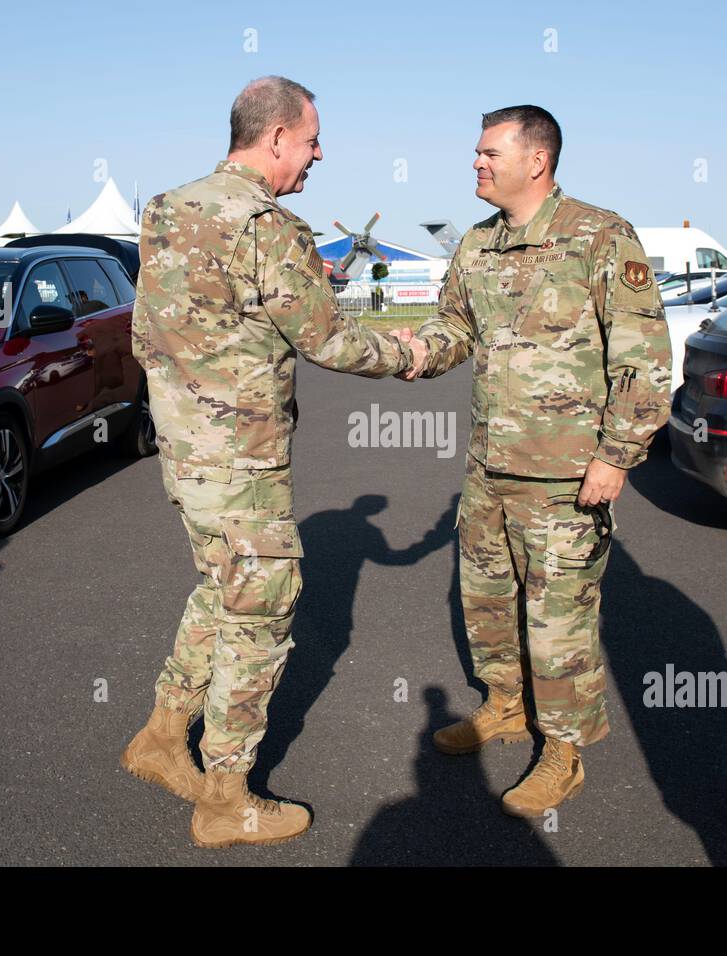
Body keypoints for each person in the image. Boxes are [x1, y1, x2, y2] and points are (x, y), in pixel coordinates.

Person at [122, 75, 423, 849]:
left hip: (184, 451)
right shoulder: (268, 223)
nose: (320, 153)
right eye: (313, 138)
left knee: (218, 591)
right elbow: (329, 341)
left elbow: (157, 328)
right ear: (277, 136)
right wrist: (409, 354)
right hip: (240, 458)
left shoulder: (166, 208)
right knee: (262, 610)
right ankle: (226, 797)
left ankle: (160, 737)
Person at [401, 105, 672, 817]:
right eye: (477, 151)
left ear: (537, 160)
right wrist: (414, 353)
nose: (476, 163)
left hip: (566, 476)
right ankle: (504, 706)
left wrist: (617, 457)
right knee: (487, 603)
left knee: (559, 623)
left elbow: (643, 360)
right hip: (489, 468)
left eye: (490, 152)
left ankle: (563, 751)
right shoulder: (478, 245)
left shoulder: (600, 235)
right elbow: (455, 326)